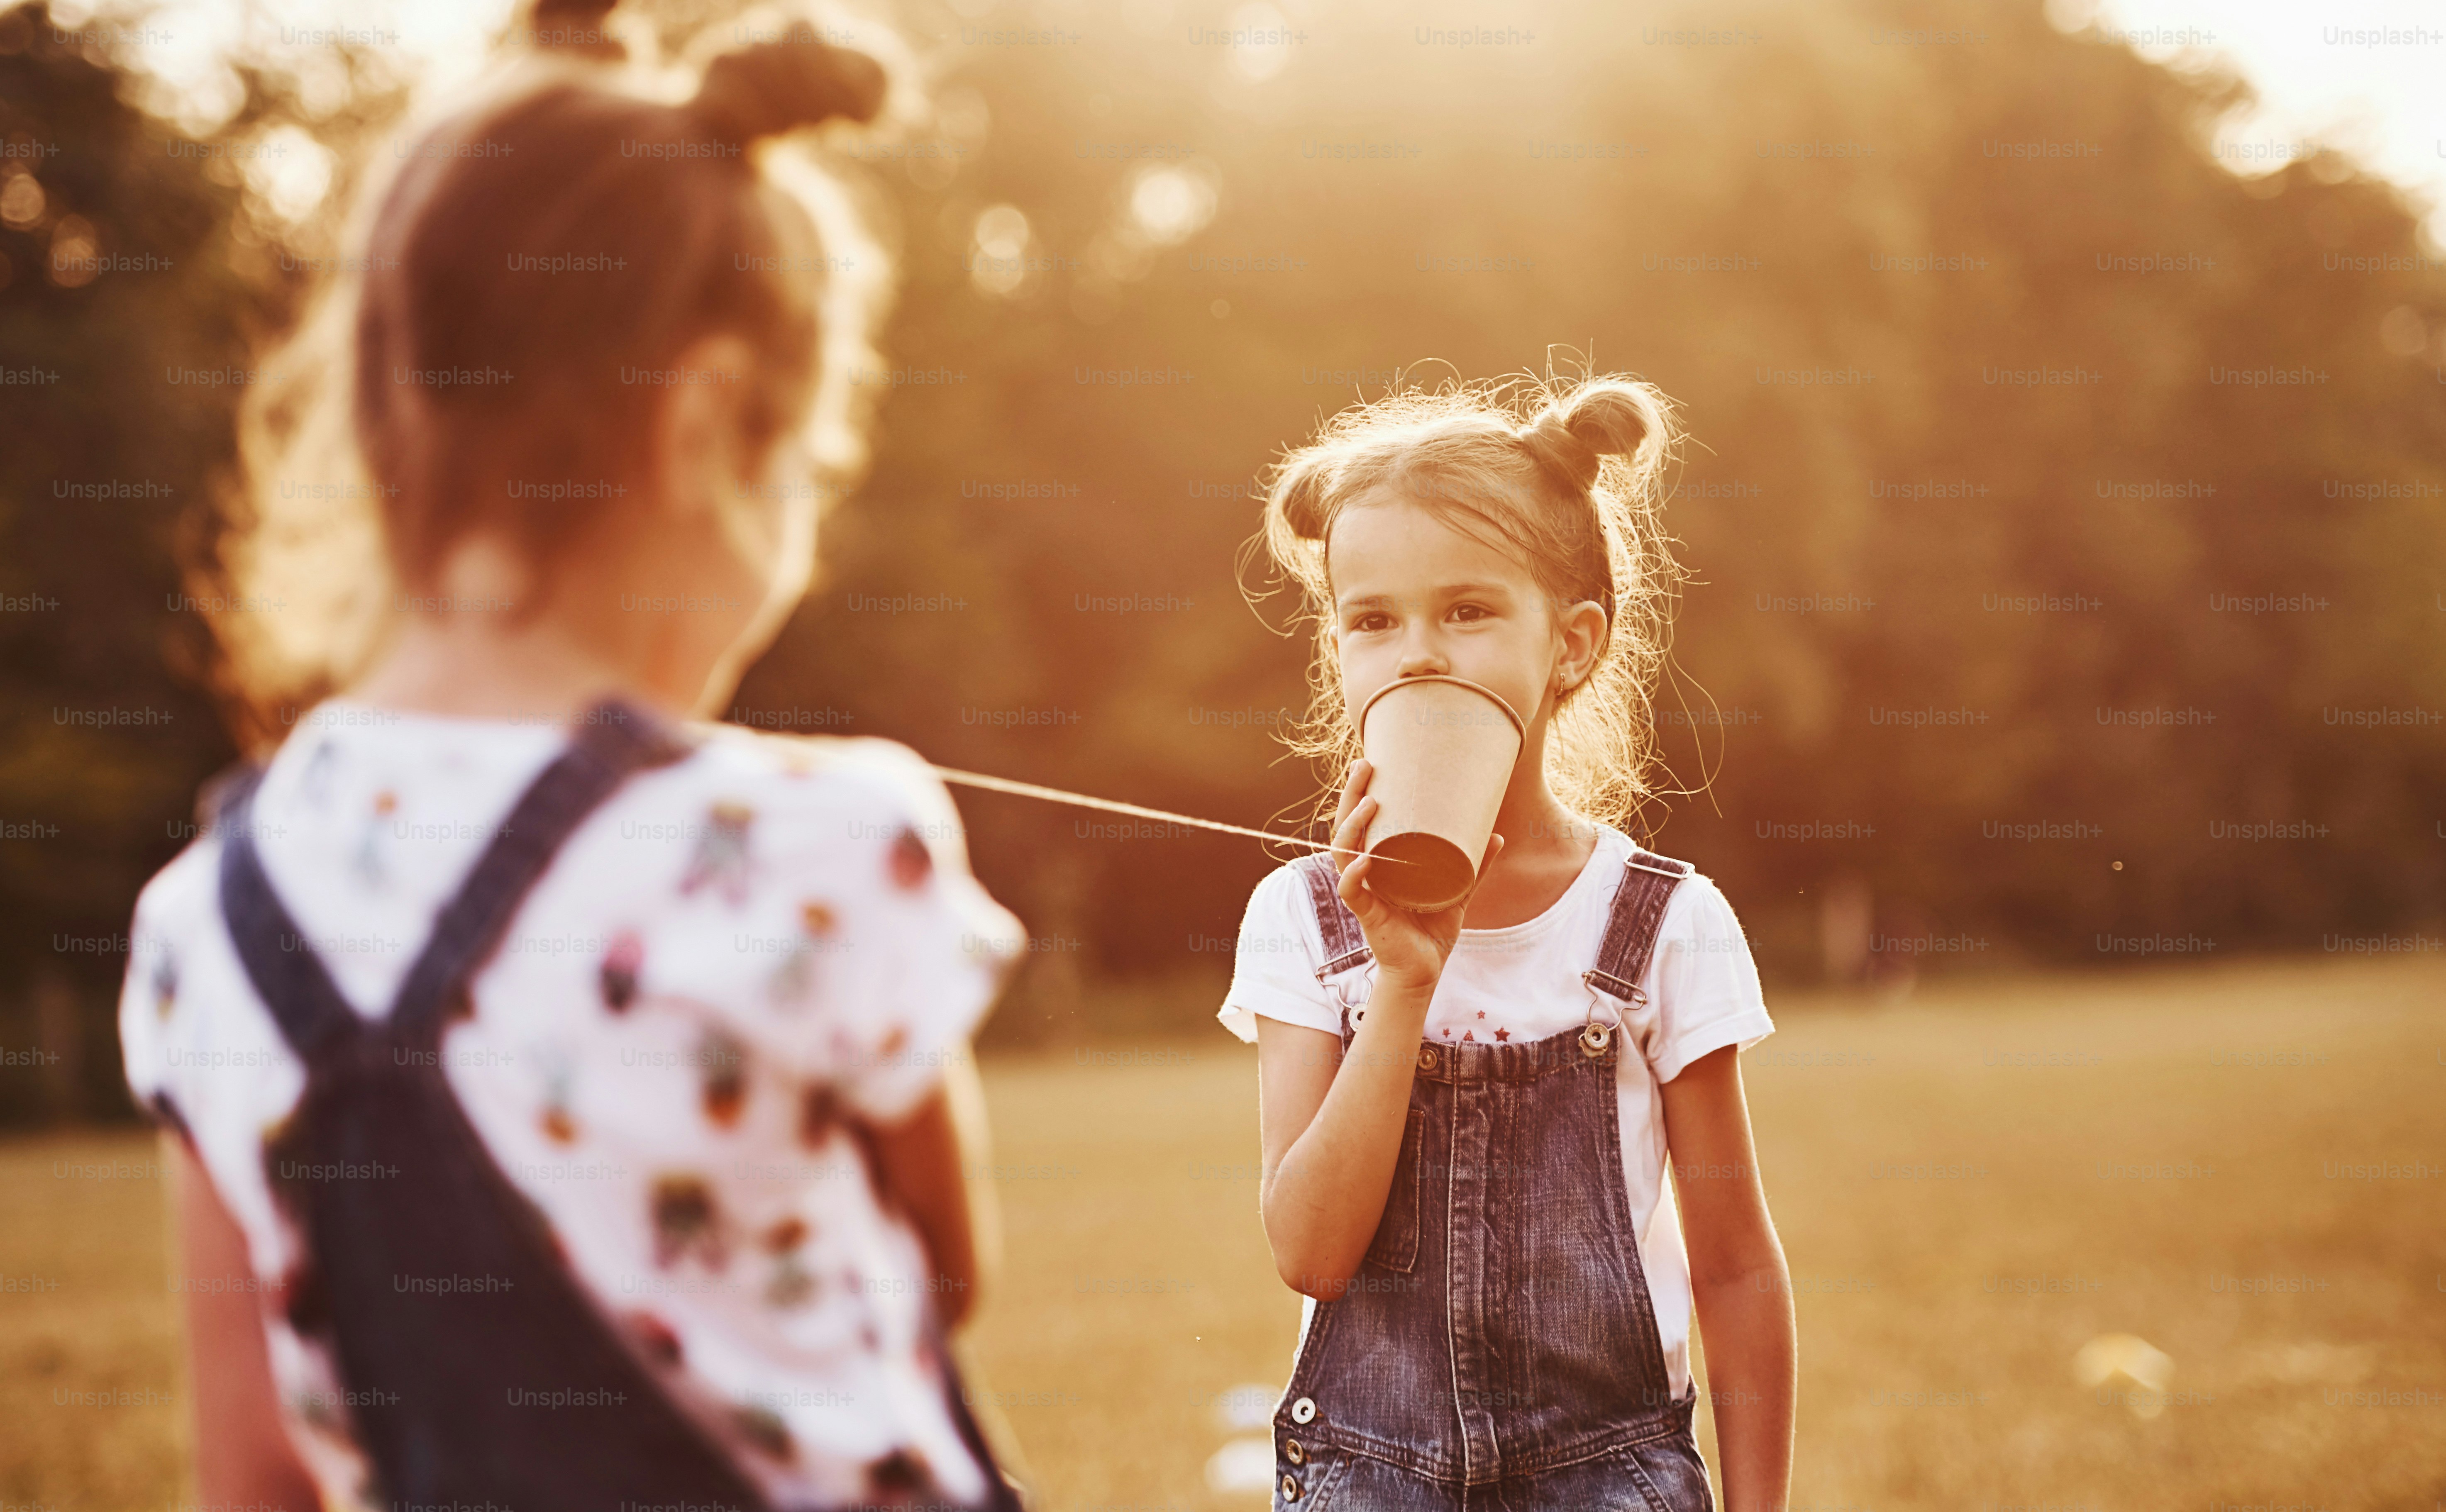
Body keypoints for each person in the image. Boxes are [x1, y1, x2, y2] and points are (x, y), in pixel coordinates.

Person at [115, 8, 1027, 1508]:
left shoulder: (196, 925)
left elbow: (254, 1482)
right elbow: (946, 1275)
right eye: (809, 466)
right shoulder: (824, 835)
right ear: (712, 423)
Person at [1218, 371, 1797, 1510]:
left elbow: (1734, 1264)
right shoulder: (1303, 918)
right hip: (1367, 1479)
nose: (1417, 651)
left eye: (1467, 609)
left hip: (1609, 1480)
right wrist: (1401, 982)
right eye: (1372, 619)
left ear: (1573, 644)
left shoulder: (1666, 923)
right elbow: (1310, 1251)